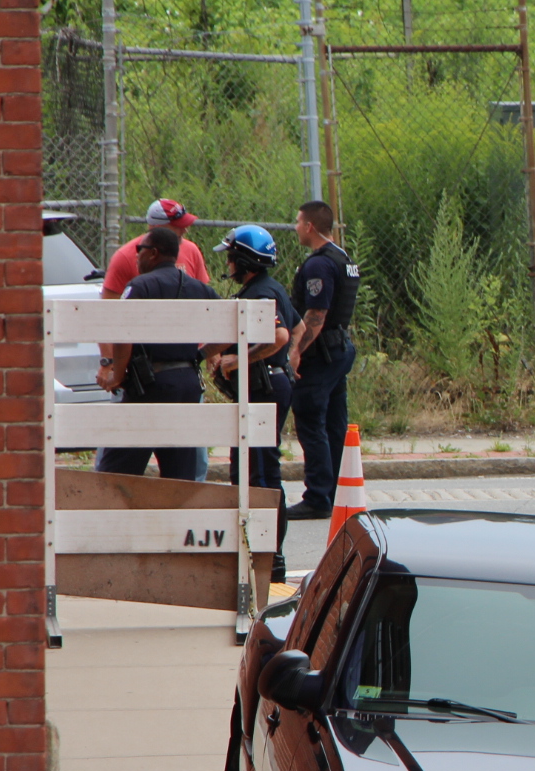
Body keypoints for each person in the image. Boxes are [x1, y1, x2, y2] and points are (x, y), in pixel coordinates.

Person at [93, 227, 220, 481]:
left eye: (139, 251)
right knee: (179, 475)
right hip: (187, 384)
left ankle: (113, 519)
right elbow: (232, 329)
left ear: (153, 254)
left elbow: (123, 332)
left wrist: (117, 373)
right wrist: (200, 355)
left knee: (116, 473)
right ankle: (176, 520)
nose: (135, 256)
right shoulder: (199, 289)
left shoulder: (140, 285)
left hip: (150, 385)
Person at [208, 225, 298, 582]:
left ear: (244, 260)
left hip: (265, 387)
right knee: (253, 468)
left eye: (231, 256)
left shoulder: (261, 293)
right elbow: (300, 328)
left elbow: (281, 335)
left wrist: (236, 361)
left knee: (259, 473)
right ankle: (263, 553)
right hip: (273, 383)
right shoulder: (268, 288)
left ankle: (269, 557)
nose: (228, 262)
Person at [286, 200, 360, 521]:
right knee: (333, 423)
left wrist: (295, 351)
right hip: (339, 348)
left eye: (298, 222)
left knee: (311, 420)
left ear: (310, 227)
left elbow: (316, 314)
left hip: (321, 354)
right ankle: (333, 492)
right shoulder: (342, 257)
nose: (295, 227)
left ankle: (318, 496)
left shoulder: (318, 264)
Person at [100, 197, 211, 297]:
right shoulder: (125, 256)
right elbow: (110, 307)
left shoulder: (192, 250)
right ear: (157, 227)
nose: (184, 230)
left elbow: (203, 298)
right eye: (177, 226)